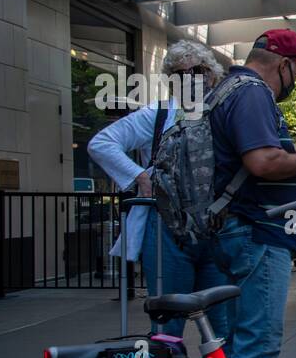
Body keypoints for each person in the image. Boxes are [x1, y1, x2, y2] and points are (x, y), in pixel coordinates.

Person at [209, 30, 296, 358]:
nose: (294, 83)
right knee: (254, 345)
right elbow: (262, 163)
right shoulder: (253, 92)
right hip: (255, 233)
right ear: (284, 64)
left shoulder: (225, 89)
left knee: (227, 345)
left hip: (229, 231)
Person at [88, 40, 226, 337]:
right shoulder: (158, 114)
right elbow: (101, 143)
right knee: (167, 323)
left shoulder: (224, 112)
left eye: (197, 70)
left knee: (223, 326)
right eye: (180, 72)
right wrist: (141, 177)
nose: (190, 77)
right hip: (166, 229)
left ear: (211, 74)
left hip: (218, 229)